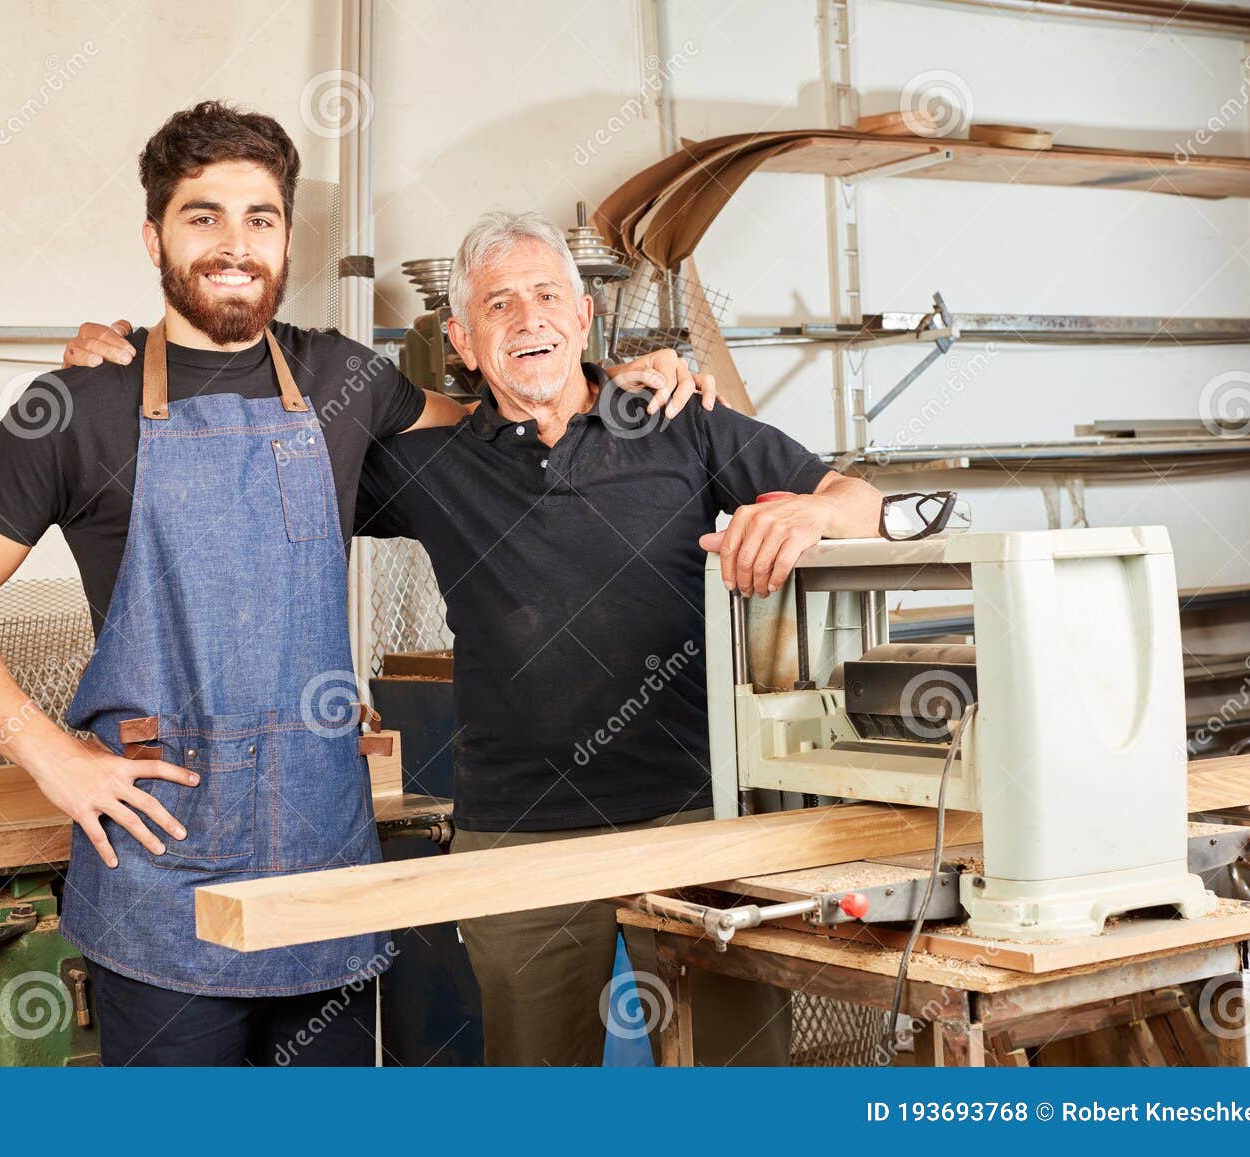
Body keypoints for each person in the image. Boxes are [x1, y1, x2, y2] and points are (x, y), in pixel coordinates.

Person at [0, 102, 711, 1068]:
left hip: (323, 857)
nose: (235, 244)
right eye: (204, 217)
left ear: (286, 238)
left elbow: (516, 408)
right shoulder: (76, 406)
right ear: (153, 235)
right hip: (161, 868)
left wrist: (619, 372)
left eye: (261, 218)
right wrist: (51, 755)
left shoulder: (344, 378)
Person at [350, 210, 885, 1065]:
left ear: (584, 315)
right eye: (498, 305)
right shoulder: (431, 459)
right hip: (522, 833)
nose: (529, 319)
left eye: (547, 294)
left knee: (744, 1079)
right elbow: (281, 472)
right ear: (460, 336)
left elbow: (864, 503)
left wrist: (813, 514)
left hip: (698, 816)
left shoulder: (680, 417)